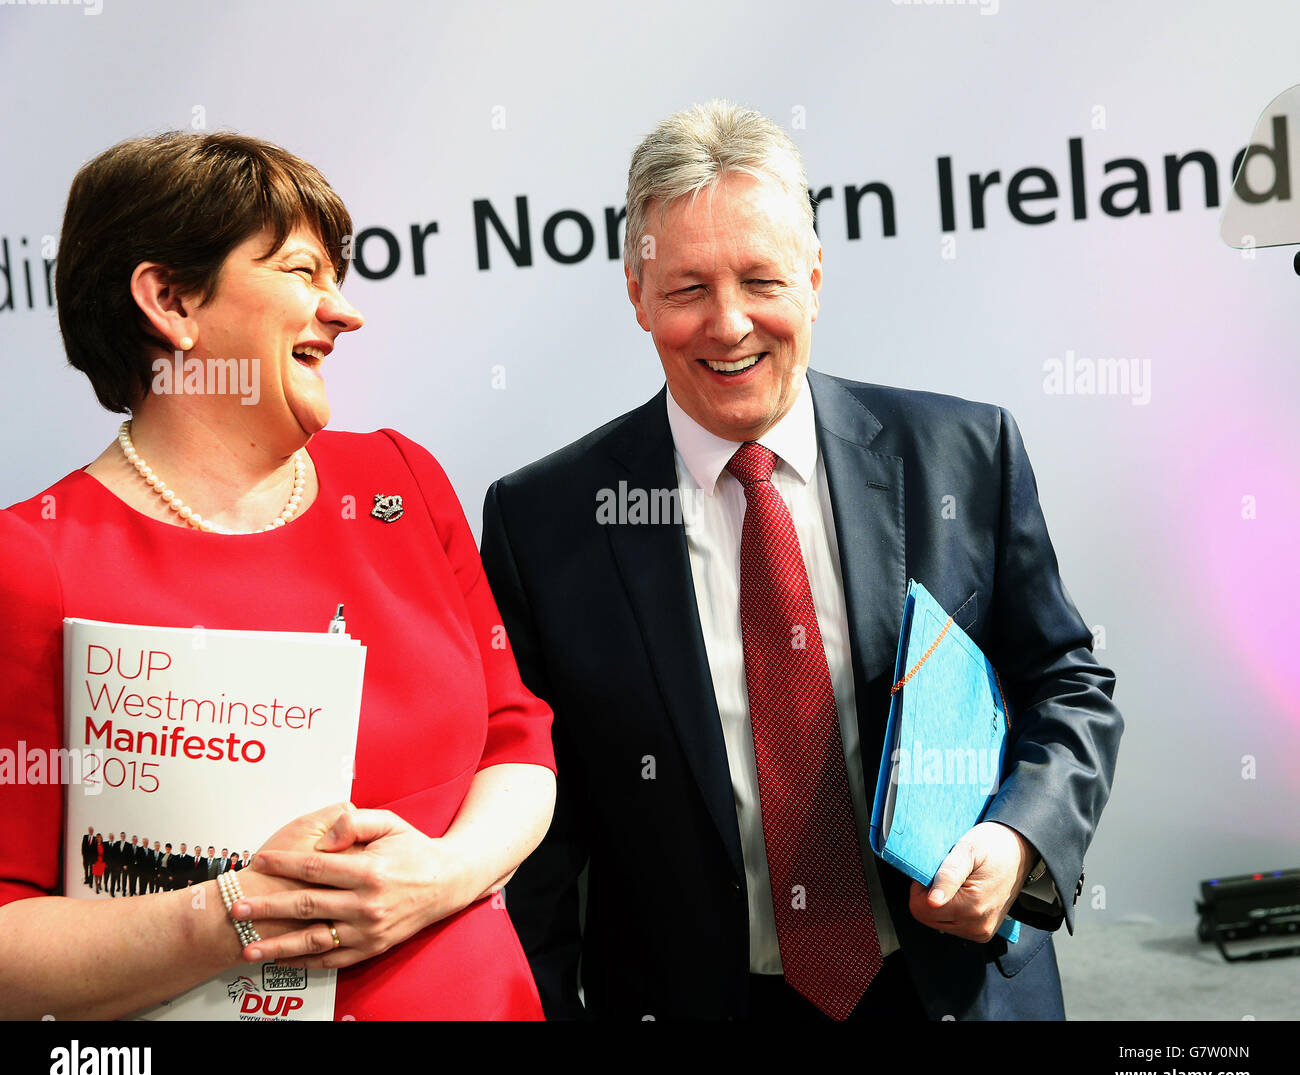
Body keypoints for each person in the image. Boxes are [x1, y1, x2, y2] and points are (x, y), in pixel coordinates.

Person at [481, 101, 1124, 1021]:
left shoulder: (962, 452)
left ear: (815, 276)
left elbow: (1066, 681)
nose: (729, 324)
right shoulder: (541, 522)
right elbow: (539, 822)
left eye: (761, 279)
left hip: (953, 989)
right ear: (636, 294)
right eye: (688, 288)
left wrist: (1020, 838)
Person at [0, 131, 555, 1020]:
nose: (344, 312)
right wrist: (241, 913)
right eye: (303, 272)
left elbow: (517, 740)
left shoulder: (399, 482)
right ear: (171, 301)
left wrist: (439, 877)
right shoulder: (33, 561)